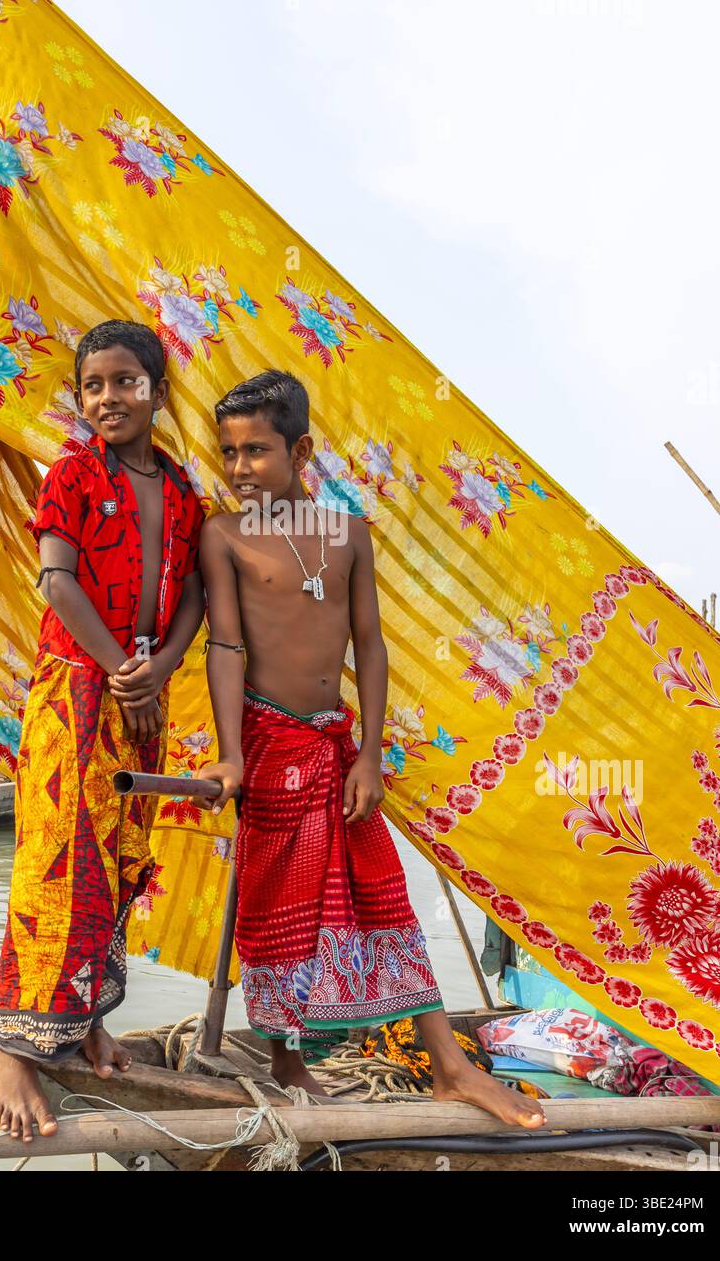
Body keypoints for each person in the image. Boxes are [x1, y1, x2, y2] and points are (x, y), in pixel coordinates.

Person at [195, 369, 545, 1128]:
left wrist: (369, 756)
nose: (239, 468)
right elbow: (224, 646)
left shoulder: (345, 534)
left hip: (334, 742)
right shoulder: (220, 534)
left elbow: (371, 645)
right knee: (273, 903)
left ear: (302, 450)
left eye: (256, 450)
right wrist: (230, 754)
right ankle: (285, 1056)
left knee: (382, 895)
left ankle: (450, 1067)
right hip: (267, 740)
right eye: (228, 452)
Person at [0, 319, 206, 1142]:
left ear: (156, 389)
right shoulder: (73, 475)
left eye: (125, 381)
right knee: (57, 861)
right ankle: (16, 1046)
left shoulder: (184, 490)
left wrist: (162, 668)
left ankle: (80, 1022)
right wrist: (123, 671)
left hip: (140, 696)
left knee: (116, 864)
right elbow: (57, 583)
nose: (108, 398)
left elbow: (191, 596)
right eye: (94, 386)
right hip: (78, 689)